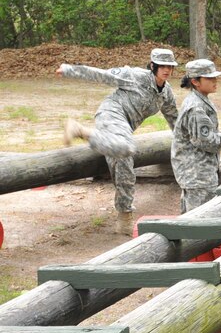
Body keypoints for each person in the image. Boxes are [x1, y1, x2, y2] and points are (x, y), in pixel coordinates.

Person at [58, 48, 179, 233]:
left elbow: (174, 119)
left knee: (124, 160)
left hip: (125, 128)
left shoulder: (166, 93)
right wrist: (69, 70)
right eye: (162, 66)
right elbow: (102, 75)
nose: (167, 70)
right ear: (153, 65)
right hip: (111, 114)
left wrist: (187, 144)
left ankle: (124, 215)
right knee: (126, 147)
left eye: (170, 66)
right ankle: (80, 131)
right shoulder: (134, 76)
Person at [171, 59, 221, 213]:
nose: (215, 81)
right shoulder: (196, 107)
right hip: (197, 174)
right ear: (195, 82)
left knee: (193, 217)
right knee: (201, 220)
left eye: (215, 77)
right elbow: (205, 141)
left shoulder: (199, 100)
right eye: (209, 78)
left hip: (198, 171)